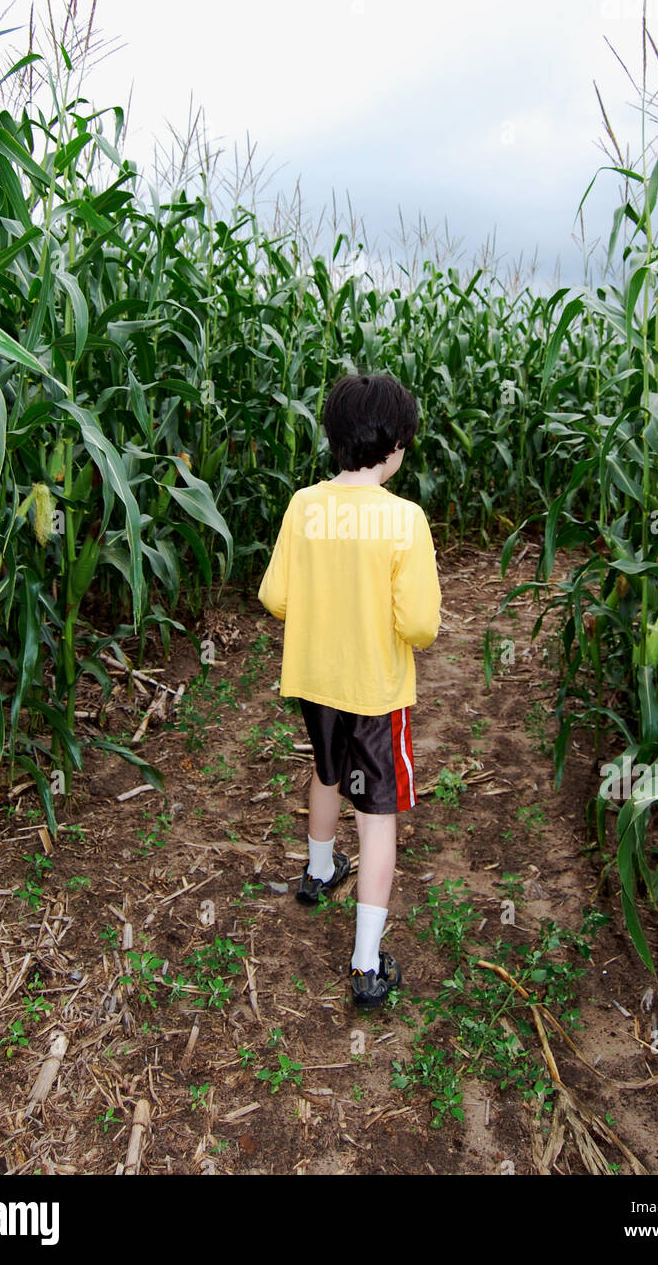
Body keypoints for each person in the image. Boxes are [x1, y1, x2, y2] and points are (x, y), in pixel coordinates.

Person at [258, 372, 441, 1006]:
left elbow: (275, 597)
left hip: (316, 683)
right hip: (375, 693)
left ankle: (316, 871)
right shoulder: (404, 520)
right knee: (378, 817)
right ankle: (367, 964)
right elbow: (418, 624)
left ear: (334, 440)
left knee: (327, 771)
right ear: (394, 447)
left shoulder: (303, 506)